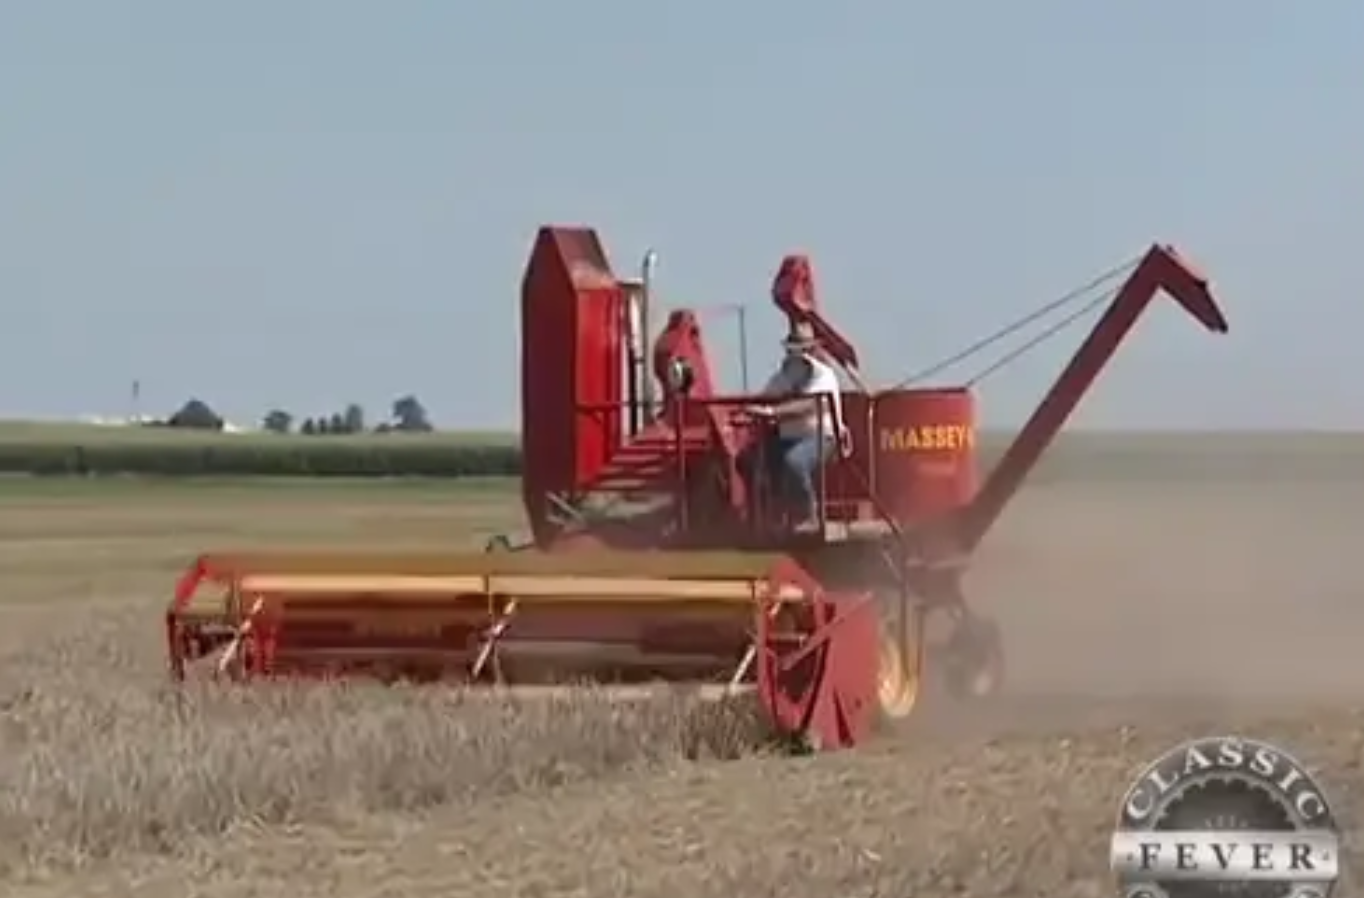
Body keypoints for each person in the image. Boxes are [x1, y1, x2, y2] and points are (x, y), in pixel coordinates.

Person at [740, 320, 847, 532]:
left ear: (813, 349)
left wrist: (772, 413)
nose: (798, 355)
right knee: (748, 459)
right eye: (793, 349)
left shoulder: (823, 376)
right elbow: (766, 397)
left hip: (823, 438)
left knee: (794, 462)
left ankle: (808, 515)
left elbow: (809, 405)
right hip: (787, 439)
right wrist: (746, 412)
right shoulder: (785, 376)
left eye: (803, 349)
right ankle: (768, 514)